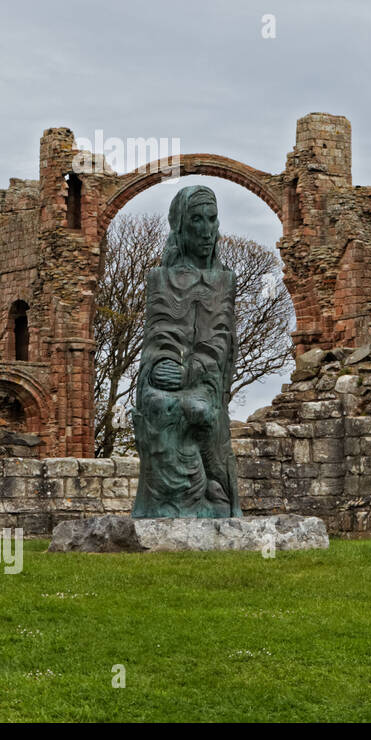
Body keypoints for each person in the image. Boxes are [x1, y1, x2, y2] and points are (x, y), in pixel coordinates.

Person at [131, 185, 241, 518]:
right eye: (197, 220)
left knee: (199, 411)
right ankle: (166, 504)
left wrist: (191, 373)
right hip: (163, 377)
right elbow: (158, 333)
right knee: (160, 406)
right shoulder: (160, 279)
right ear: (181, 225)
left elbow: (219, 343)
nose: (206, 230)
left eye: (212, 219)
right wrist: (159, 366)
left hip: (204, 381)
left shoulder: (224, 280)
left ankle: (211, 497)